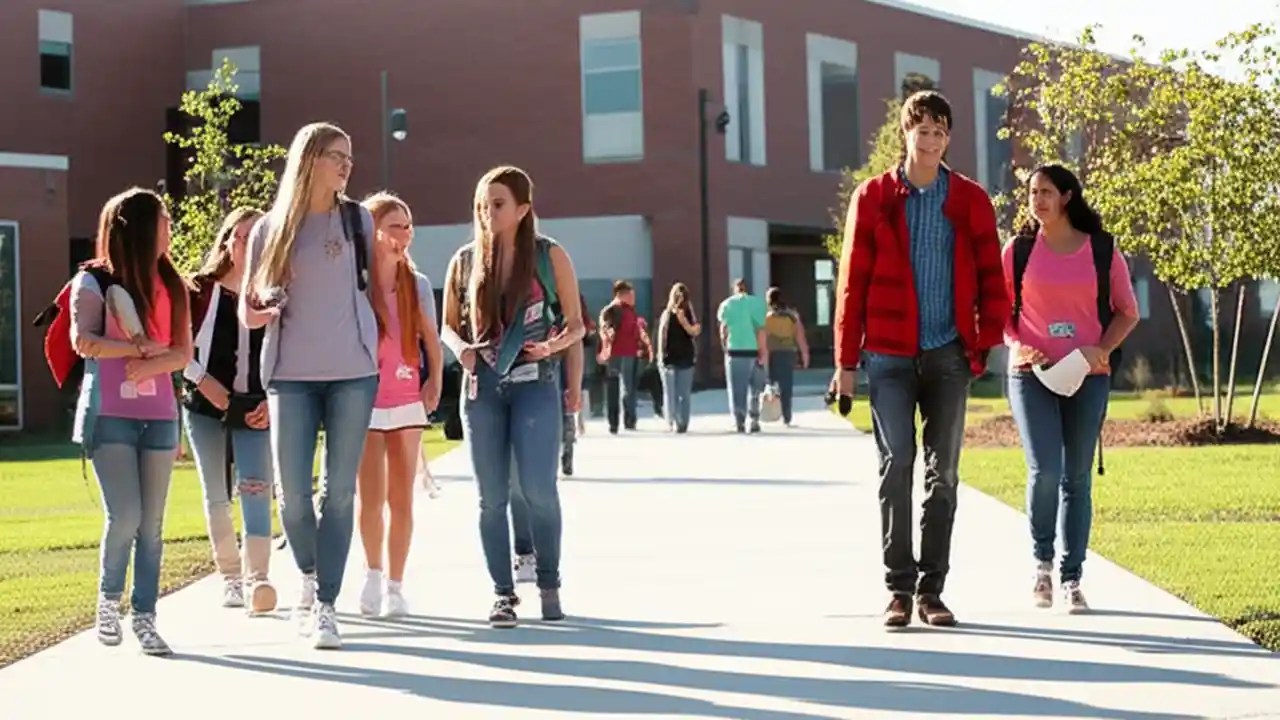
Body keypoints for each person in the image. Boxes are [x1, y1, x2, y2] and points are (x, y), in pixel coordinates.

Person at [834, 90, 1009, 629]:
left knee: (945, 472)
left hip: (948, 354)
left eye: (938, 131)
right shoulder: (874, 197)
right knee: (897, 464)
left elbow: (991, 279)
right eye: (920, 129)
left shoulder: (971, 200)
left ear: (948, 138)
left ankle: (933, 591)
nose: (929, 139)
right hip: (887, 355)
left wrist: (982, 344)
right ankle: (897, 590)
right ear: (904, 134)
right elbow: (852, 282)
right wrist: (844, 363)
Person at [240, 122, 380, 650]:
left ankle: (325, 604)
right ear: (309, 159)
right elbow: (246, 311)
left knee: (338, 493)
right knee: (293, 495)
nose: (346, 165)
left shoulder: (357, 219)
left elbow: (377, 295)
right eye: (335, 156)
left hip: (353, 373)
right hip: (290, 376)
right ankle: (308, 571)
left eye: (349, 156)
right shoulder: (269, 228)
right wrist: (260, 309)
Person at [440, 165, 584, 628]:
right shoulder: (464, 261)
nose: (487, 213)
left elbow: (578, 325)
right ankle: (502, 594)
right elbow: (448, 326)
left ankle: (548, 581)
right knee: (491, 498)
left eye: (497, 204)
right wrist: (461, 350)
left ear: (522, 210)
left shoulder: (549, 256)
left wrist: (553, 348)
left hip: (535, 385)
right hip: (482, 390)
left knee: (539, 490)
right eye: (482, 204)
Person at [1004, 164, 1139, 613]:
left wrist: (1101, 349)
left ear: (1066, 196)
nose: (1036, 200)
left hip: (1087, 375)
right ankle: (1042, 564)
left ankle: (1071, 577)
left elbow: (1127, 311)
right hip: (1030, 374)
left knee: (1076, 478)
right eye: (1031, 192)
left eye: (1045, 192)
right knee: (1045, 470)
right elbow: (1000, 314)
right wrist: (1021, 344)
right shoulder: (1018, 251)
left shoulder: (1102, 249)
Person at [71, 187, 193, 655]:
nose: (170, 228)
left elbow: (183, 353)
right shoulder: (94, 282)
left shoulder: (174, 284)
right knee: (125, 516)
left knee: (153, 524)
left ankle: (144, 617)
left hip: (160, 416)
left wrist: (155, 362)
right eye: (163, 220)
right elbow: (85, 341)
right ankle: (108, 602)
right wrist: (135, 350)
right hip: (109, 415)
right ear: (140, 227)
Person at [182, 207, 278, 615]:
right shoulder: (198, 291)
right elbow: (178, 349)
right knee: (217, 494)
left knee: (257, 488)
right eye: (240, 236)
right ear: (226, 242)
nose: (246, 244)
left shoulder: (274, 292)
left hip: (257, 408)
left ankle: (259, 578)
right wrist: (204, 381)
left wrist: (273, 403)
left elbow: (289, 353)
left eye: (256, 236)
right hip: (206, 407)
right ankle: (230, 578)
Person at [356, 192, 444, 618]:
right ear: (374, 230)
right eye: (396, 225)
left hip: (407, 397)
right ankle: (372, 575)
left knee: (401, 499)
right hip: (364, 400)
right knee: (370, 497)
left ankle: (395, 585)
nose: (405, 234)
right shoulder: (356, 283)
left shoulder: (418, 284)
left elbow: (431, 337)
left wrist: (435, 381)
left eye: (409, 226)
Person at [717, 279, 768, 433]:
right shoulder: (758, 304)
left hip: (735, 351)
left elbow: (723, 329)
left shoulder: (726, 304)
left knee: (737, 389)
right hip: (753, 350)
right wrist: (762, 351)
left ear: (734, 289)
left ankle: (739, 420)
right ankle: (754, 419)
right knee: (756, 388)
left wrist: (725, 347)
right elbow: (760, 330)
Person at [597, 281, 643, 433]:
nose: (633, 298)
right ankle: (618, 421)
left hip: (627, 352)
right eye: (630, 294)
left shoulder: (629, 310)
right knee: (619, 387)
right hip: (617, 353)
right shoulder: (613, 309)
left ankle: (625, 420)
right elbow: (604, 329)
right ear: (621, 295)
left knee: (623, 387)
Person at [657, 282, 701, 433]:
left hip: (686, 358)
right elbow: (662, 336)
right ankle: (673, 421)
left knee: (684, 393)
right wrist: (660, 356)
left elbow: (695, 331)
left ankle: (683, 422)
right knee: (670, 393)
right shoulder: (667, 314)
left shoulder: (689, 313)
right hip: (669, 358)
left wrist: (684, 322)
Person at [763, 287, 811, 427]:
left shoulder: (767, 317)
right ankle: (786, 416)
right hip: (787, 352)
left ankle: (769, 412)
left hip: (772, 353)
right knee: (786, 387)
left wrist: (762, 355)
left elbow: (764, 338)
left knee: (770, 383)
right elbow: (800, 337)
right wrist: (805, 355)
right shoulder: (792, 316)